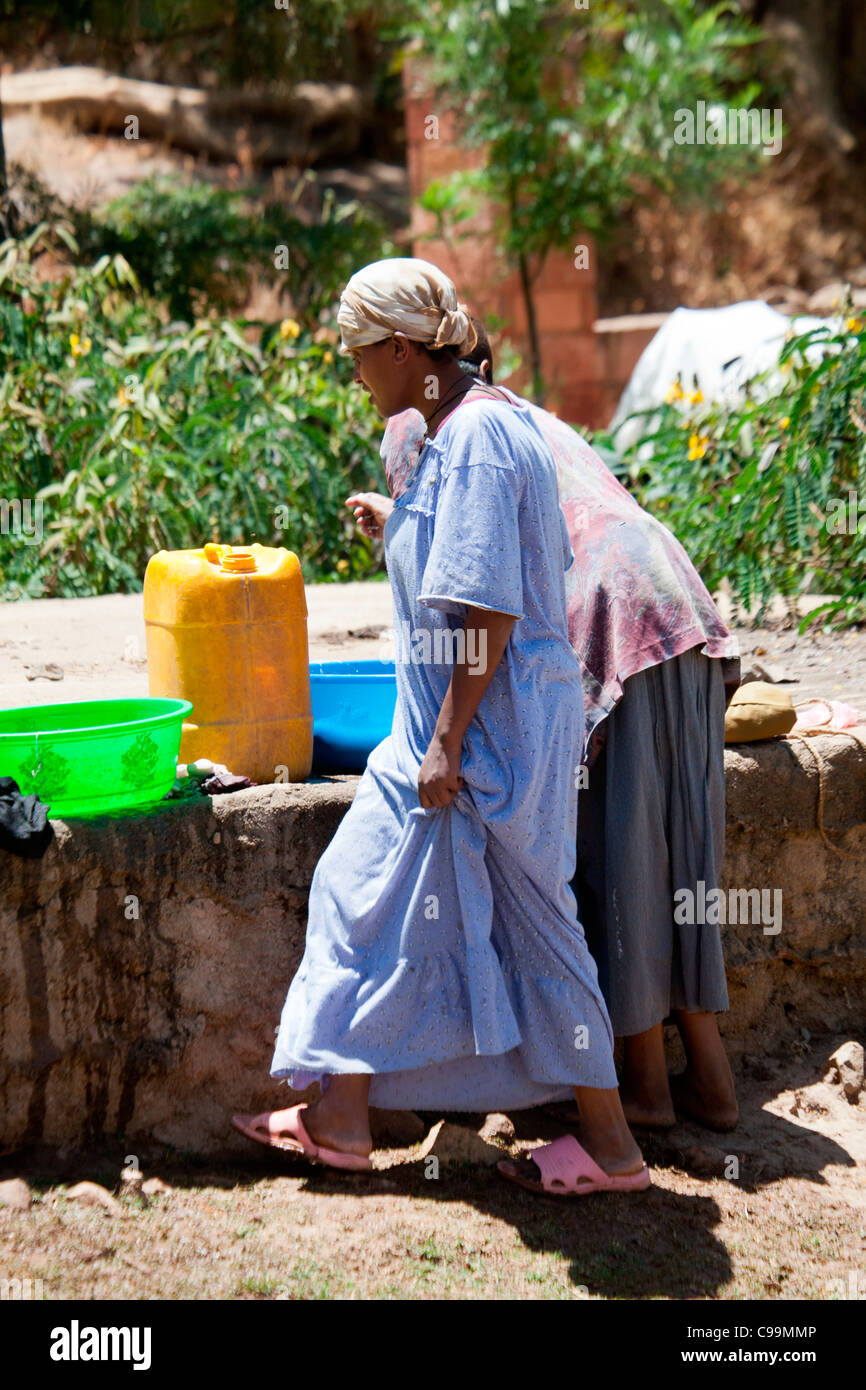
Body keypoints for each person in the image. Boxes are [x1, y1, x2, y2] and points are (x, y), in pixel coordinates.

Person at [233, 258, 650, 1196]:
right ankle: (343, 1114)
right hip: (469, 727)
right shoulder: (456, 431)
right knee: (381, 899)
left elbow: (490, 613)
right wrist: (399, 516)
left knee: (530, 922)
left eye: (357, 354)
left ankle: (613, 1148)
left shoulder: (478, 441)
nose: (352, 372)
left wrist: (448, 742)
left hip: (484, 736)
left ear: (399, 346)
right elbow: (468, 553)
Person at [353, 317, 741, 1134]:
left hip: (610, 612)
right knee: (686, 856)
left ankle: (644, 1092)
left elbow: (478, 580)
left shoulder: (459, 438)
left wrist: (449, 734)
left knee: (620, 852)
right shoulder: (524, 420)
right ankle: (712, 1082)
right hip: (680, 603)